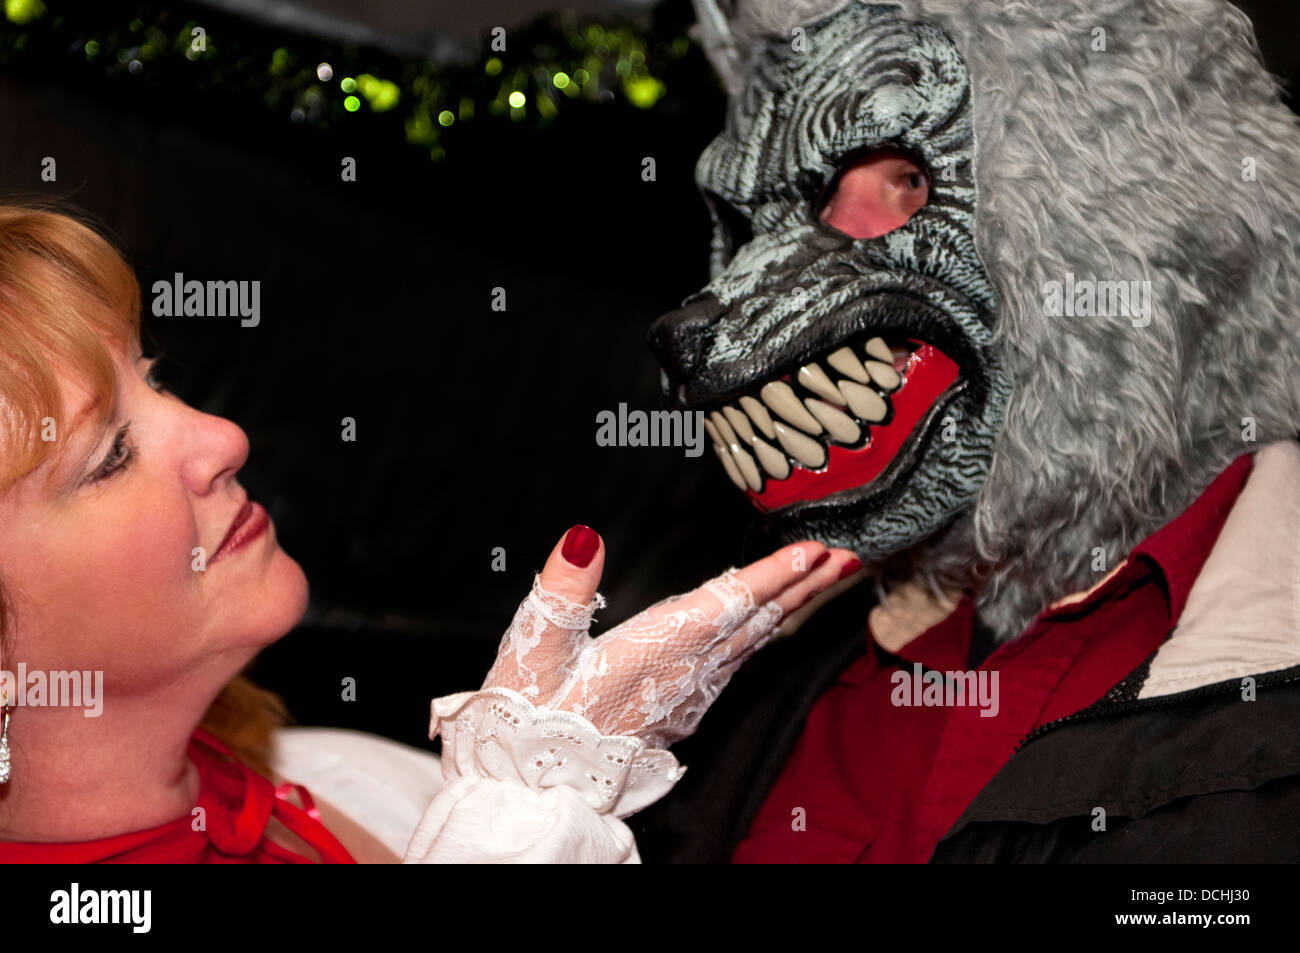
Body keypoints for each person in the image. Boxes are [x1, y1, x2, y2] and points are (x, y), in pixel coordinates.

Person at [0, 203, 861, 863]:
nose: (223, 437)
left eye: (154, 381)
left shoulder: (308, 768)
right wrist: (523, 804)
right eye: (111, 454)